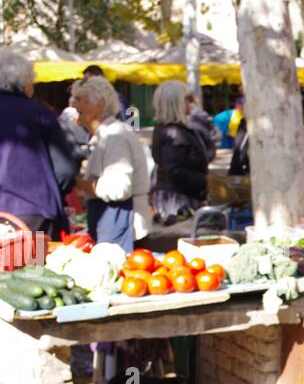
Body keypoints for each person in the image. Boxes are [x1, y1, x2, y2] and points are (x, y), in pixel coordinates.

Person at [71, 74, 151, 251]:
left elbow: (118, 189)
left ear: (99, 105)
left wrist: (78, 183)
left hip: (123, 225)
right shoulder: (105, 134)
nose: (72, 105)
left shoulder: (115, 136)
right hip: (113, 222)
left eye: (79, 99)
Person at [0, 48, 74, 238]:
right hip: (36, 216)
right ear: (25, 83)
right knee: (37, 267)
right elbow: (65, 171)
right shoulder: (41, 114)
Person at [150, 79, 210, 223]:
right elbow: (175, 171)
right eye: (188, 99)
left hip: (178, 198)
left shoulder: (171, 129)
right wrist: (205, 182)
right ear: (175, 102)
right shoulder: (172, 132)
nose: (191, 103)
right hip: (177, 202)